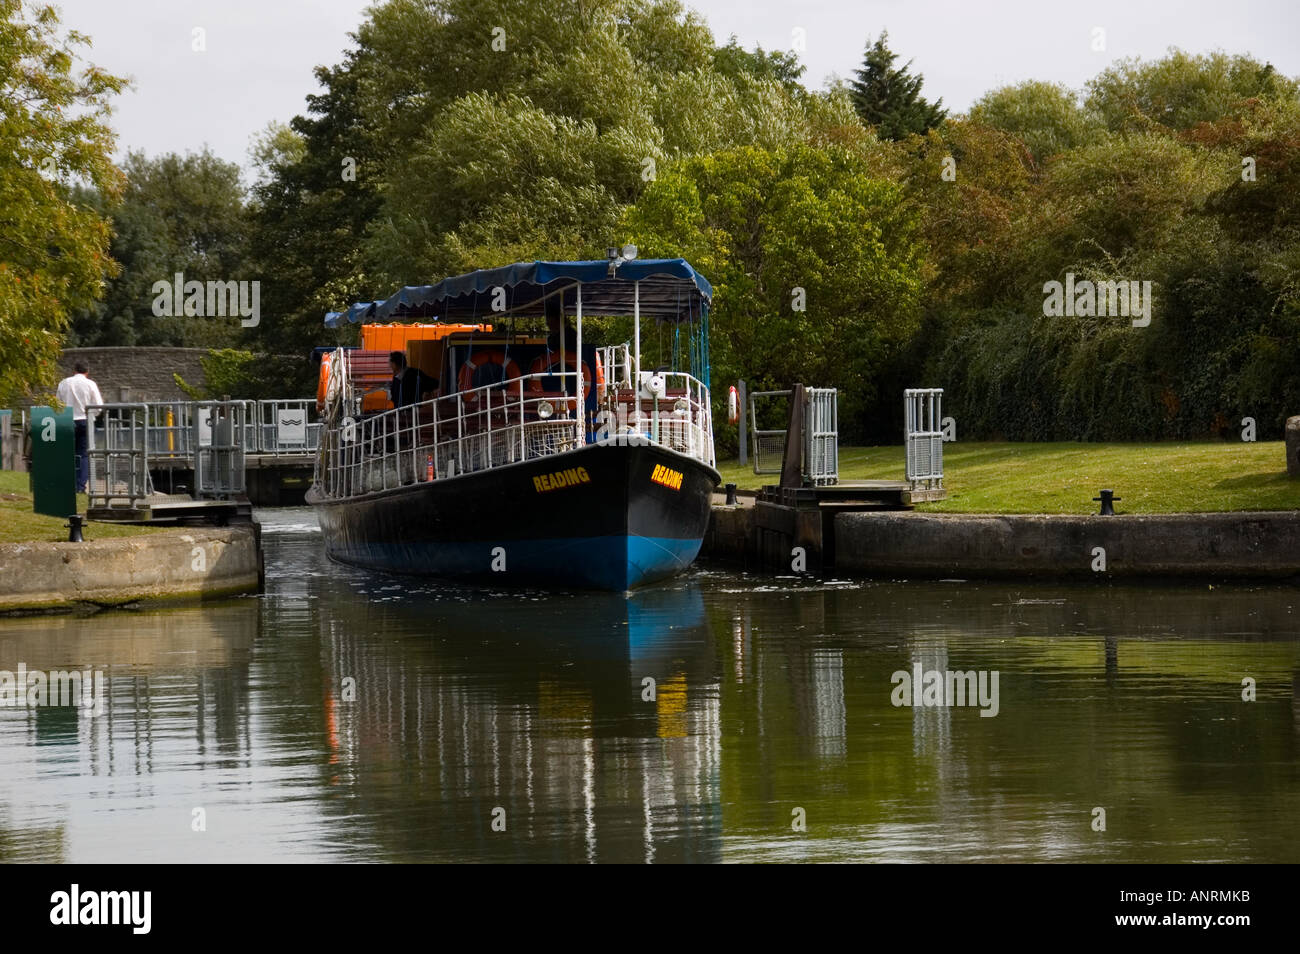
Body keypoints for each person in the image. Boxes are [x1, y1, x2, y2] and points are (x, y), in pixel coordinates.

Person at [56, 361, 104, 494]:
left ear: (74, 370)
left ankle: (67, 483)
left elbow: (57, 404)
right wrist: (91, 414)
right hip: (85, 420)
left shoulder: (64, 383)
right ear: (87, 372)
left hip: (67, 420)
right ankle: (80, 486)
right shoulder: (90, 384)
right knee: (83, 455)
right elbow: (99, 406)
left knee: (67, 453)